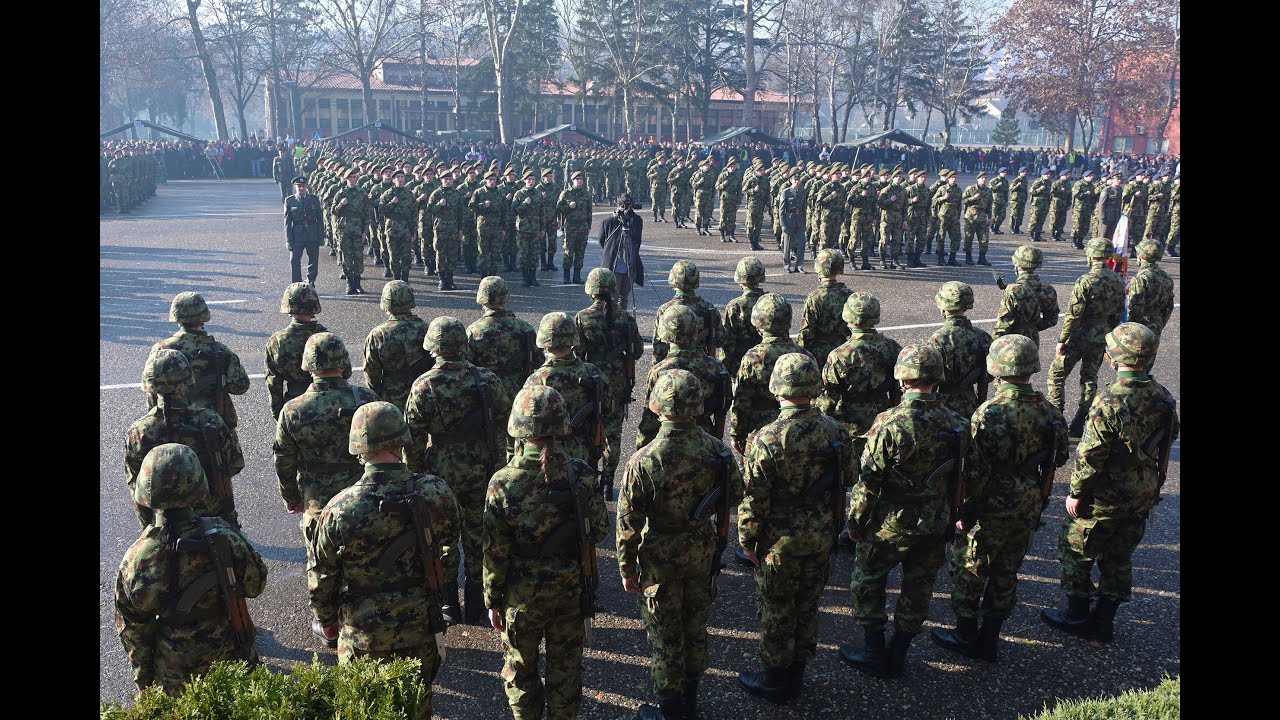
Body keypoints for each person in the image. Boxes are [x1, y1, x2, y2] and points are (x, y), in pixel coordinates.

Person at [309, 402, 460, 720]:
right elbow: (449, 553)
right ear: (401, 440)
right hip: (420, 625)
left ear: (358, 447)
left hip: (362, 635)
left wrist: (327, 621)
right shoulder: (436, 491)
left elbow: (323, 575)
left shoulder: (339, 507)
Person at [932, 335, 1068, 661]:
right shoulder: (1049, 411)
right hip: (1028, 500)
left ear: (997, 368)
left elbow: (974, 471)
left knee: (971, 568)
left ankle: (966, 635)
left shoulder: (989, 413)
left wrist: (964, 510)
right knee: (1007, 570)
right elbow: (1060, 456)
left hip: (989, 505)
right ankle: (990, 639)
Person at [617, 370, 743, 720]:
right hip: (702, 551)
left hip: (660, 559)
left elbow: (629, 524)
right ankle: (690, 704)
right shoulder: (718, 451)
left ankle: (671, 711)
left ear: (657, 407)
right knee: (695, 626)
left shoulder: (644, 459)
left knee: (665, 636)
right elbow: (736, 494)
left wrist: (627, 569)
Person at [840, 344, 970, 679]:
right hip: (935, 521)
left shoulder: (888, 423)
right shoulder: (957, 424)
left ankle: (874, 650)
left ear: (901, 378)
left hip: (890, 523)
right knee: (919, 587)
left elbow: (868, 482)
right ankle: (898, 653)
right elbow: (969, 475)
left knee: (867, 581)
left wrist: (854, 522)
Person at [1041, 323, 1177, 644]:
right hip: (1143, 490)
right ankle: (1104, 622)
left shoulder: (1109, 402)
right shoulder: (1163, 397)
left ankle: (1076, 616)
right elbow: (1169, 438)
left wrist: (1076, 493)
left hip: (1105, 496)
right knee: (1119, 556)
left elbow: (1090, 456)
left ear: (1113, 357)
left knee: (1076, 551)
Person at [483, 386, 609, 720]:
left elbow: (496, 551)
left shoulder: (503, 482)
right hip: (570, 591)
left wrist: (493, 600)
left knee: (521, 674)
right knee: (566, 673)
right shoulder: (580, 474)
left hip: (520, 597)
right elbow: (599, 531)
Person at [737, 353, 854, 703]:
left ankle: (776, 680)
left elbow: (754, 499)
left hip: (779, 542)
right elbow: (848, 478)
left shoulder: (767, 438)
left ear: (776, 388)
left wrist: (747, 541)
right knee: (807, 604)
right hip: (821, 533)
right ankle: (797, 674)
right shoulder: (836, 431)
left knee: (777, 609)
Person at [115, 443, 267, 696]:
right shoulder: (224, 536)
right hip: (234, 658)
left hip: (177, 675)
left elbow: (134, 634)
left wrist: (145, 685)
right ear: (198, 485)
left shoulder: (135, 561)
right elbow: (255, 584)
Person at [274, 332, 379, 647]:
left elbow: (284, 460)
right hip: (364, 492)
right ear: (343, 363)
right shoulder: (366, 399)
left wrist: (292, 498)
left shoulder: (293, 409)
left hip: (318, 499)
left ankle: (328, 623)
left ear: (309, 366)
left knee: (321, 560)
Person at [406, 317, 510, 626]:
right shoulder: (488, 380)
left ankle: (449, 604)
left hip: (441, 470)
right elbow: (505, 419)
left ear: (433, 348)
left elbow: (412, 436)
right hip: (483, 467)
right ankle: (479, 603)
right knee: (480, 534)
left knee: (443, 537)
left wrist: (416, 472)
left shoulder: (424, 385)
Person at [126, 350, 244, 530]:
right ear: (187, 381)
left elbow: (137, 486)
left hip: (164, 521)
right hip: (212, 517)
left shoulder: (138, 432)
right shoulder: (210, 420)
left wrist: (147, 529)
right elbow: (234, 465)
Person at [574, 268, 645, 498]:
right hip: (617, 383)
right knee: (613, 434)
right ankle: (608, 480)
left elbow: (579, 354)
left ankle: (590, 475)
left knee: (588, 430)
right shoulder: (626, 318)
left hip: (590, 382)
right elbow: (637, 351)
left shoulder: (582, 317)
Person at [1046, 238, 1126, 437]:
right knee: (1089, 378)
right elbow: (1119, 312)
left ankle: (1057, 419)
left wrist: (1062, 340)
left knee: (1056, 375)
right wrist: (1110, 335)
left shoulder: (1086, 281)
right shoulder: (1117, 279)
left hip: (1078, 336)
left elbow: (1074, 314)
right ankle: (1080, 420)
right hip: (1101, 337)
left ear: (1091, 255)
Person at [151, 292, 251, 434]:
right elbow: (240, 387)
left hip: (172, 426)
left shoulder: (161, 350)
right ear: (204, 317)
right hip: (213, 427)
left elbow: (152, 391)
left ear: (177, 318)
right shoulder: (220, 351)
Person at [522, 312, 609, 470]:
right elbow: (609, 410)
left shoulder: (536, 380)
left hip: (547, 457)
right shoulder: (593, 373)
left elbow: (526, 427)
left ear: (544, 341)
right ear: (573, 340)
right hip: (584, 453)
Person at [729, 294, 813, 455]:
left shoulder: (753, 357)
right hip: (799, 431)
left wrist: (736, 433)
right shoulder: (803, 354)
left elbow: (742, 400)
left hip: (761, 433)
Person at [467, 276, 539, 459]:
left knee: (491, 445)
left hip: (486, 397)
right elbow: (538, 363)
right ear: (506, 298)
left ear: (481, 299)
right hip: (519, 394)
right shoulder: (525, 329)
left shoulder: (473, 332)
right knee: (520, 446)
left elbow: (467, 368)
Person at [363, 280, 432, 411]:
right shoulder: (426, 329)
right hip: (424, 395)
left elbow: (371, 374)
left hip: (391, 400)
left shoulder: (378, 335)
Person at [928, 281, 993, 421]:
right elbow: (990, 373)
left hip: (943, 408)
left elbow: (929, 377)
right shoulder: (982, 336)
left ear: (942, 307)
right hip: (971, 402)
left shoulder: (938, 339)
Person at [266, 282, 327, 419]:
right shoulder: (325, 336)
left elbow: (273, 383)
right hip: (327, 403)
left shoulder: (277, 341)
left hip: (295, 404)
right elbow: (344, 373)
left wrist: (279, 414)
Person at [651, 260, 721, 364]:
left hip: (673, 366)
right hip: (703, 366)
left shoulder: (665, 310)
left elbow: (659, 347)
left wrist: (657, 368)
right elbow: (720, 340)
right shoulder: (709, 309)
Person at [992, 246, 1060, 347]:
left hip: (1012, 341)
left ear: (1017, 264)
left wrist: (993, 343)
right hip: (1032, 339)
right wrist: (1031, 327)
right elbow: (1052, 319)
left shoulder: (1013, 290)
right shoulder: (1047, 289)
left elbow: (1004, 323)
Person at [797, 250, 853, 369]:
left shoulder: (814, 298)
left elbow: (806, 333)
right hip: (842, 349)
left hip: (817, 353)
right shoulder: (849, 296)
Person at [719, 257, 768, 379]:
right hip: (768, 360)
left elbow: (729, 343)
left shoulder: (735, 305)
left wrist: (725, 367)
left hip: (741, 365)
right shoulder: (769, 301)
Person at [599, 192, 646, 310]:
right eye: (622, 205)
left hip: (630, 265)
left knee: (624, 297)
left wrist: (629, 222)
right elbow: (603, 242)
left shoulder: (636, 220)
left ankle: (622, 318)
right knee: (612, 298)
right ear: (617, 205)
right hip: (614, 265)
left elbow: (637, 240)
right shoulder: (608, 222)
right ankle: (612, 319)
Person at [1126, 239, 1175, 340]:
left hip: (1140, 327)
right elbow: (1169, 306)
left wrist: (1129, 328)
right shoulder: (1167, 277)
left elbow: (1135, 309)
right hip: (1156, 323)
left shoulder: (1141, 279)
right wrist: (1160, 323)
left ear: (1141, 255)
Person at [284, 175, 325, 285]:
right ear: (294, 187)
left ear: (307, 186)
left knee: (313, 260)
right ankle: (296, 283)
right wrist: (288, 240)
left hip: (312, 234)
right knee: (294, 260)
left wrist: (321, 236)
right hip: (297, 235)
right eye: (299, 186)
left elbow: (320, 219)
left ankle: (311, 281)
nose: (301, 188)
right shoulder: (289, 201)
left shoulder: (314, 200)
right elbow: (287, 223)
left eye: (303, 186)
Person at [558, 171, 594, 284]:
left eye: (581, 179)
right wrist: (569, 206)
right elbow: (558, 209)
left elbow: (589, 211)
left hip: (583, 226)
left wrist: (589, 225)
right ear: (572, 181)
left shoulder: (587, 194)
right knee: (569, 251)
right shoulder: (566, 193)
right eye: (577, 179)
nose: (579, 181)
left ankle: (577, 276)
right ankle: (566, 276)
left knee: (580, 252)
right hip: (570, 226)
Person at [961, 172, 993, 265]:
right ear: (977, 179)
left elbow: (990, 205)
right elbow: (963, 201)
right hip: (971, 217)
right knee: (969, 237)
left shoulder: (988, 190)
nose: (984, 180)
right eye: (982, 178)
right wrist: (973, 198)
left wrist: (990, 217)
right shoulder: (971, 189)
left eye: (985, 178)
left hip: (982, 216)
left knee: (984, 238)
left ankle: (982, 258)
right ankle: (968, 257)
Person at [780, 170, 808, 272]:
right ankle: (787, 265)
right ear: (791, 180)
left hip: (799, 220)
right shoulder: (786, 192)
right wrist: (783, 224)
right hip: (789, 220)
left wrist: (805, 222)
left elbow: (804, 208)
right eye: (795, 180)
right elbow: (782, 210)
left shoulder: (802, 191)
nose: (797, 181)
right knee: (787, 245)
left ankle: (799, 266)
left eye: (798, 180)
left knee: (801, 243)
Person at [1027, 169, 1053, 242]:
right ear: (1042, 174)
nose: (1048, 175)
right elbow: (1032, 192)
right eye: (1046, 174)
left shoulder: (1049, 182)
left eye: (1049, 174)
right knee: (1034, 219)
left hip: (1045, 204)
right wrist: (1040, 189)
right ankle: (1031, 235)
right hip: (1037, 204)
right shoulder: (1038, 181)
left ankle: (1038, 235)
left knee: (1041, 220)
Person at [1008, 167, 1030, 235]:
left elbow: (1025, 190)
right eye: (1023, 172)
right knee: (1014, 214)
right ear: (1020, 172)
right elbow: (1011, 188)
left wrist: (1026, 198)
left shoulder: (1025, 180)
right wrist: (1017, 185)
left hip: (1022, 200)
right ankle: (1011, 228)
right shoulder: (1017, 180)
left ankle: (1017, 228)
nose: (1024, 173)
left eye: (1025, 172)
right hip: (1016, 200)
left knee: (1020, 215)